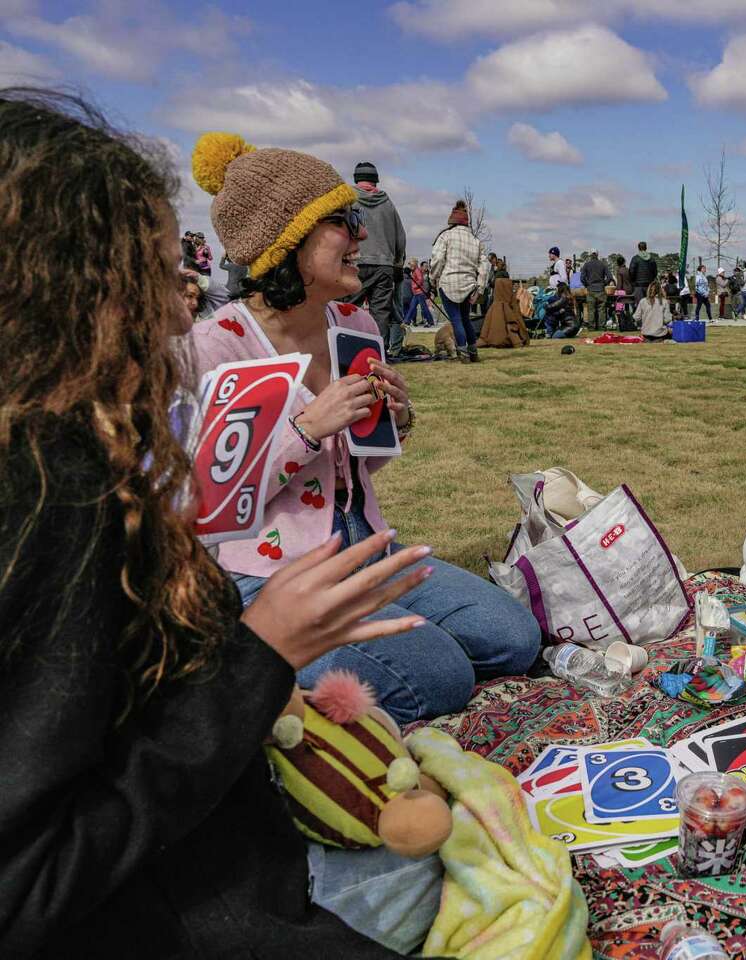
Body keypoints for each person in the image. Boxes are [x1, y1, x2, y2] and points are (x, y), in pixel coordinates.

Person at [0, 86, 447, 960]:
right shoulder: (51, 503)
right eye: (160, 271)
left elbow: (366, 467)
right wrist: (262, 653)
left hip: (348, 550)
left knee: (498, 636)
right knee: (442, 732)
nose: (184, 298)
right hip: (269, 586)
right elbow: (220, 496)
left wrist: (379, 424)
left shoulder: (356, 326)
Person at [188, 133, 540, 726]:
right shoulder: (217, 346)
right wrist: (304, 429)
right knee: (441, 675)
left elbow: (360, 462)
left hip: (363, 541)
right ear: (286, 243)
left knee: (513, 637)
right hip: (271, 574)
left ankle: (363, 648)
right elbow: (205, 500)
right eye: (343, 221)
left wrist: (394, 421)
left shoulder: (352, 324)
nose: (360, 236)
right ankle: (246, 653)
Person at [344, 161, 407, 358]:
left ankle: (349, 351)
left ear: (356, 178)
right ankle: (378, 354)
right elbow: (400, 236)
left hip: (356, 262)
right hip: (384, 265)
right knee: (381, 312)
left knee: (350, 309)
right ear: (376, 179)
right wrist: (397, 262)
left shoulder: (348, 200)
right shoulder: (387, 203)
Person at [429, 201, 484, 363]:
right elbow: (485, 265)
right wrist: (479, 287)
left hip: (449, 284)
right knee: (466, 319)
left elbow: (437, 259)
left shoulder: (445, 236)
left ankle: (463, 355)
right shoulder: (475, 240)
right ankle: (473, 353)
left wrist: (433, 277)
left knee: (456, 320)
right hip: (469, 285)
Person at [579, 250, 609, 329]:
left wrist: (587, 285)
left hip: (591, 289)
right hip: (601, 289)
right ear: (597, 255)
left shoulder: (586, 265)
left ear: (590, 255)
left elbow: (582, 278)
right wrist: (604, 284)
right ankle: (601, 326)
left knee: (591, 310)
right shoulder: (603, 264)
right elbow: (610, 277)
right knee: (601, 309)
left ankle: (591, 327)